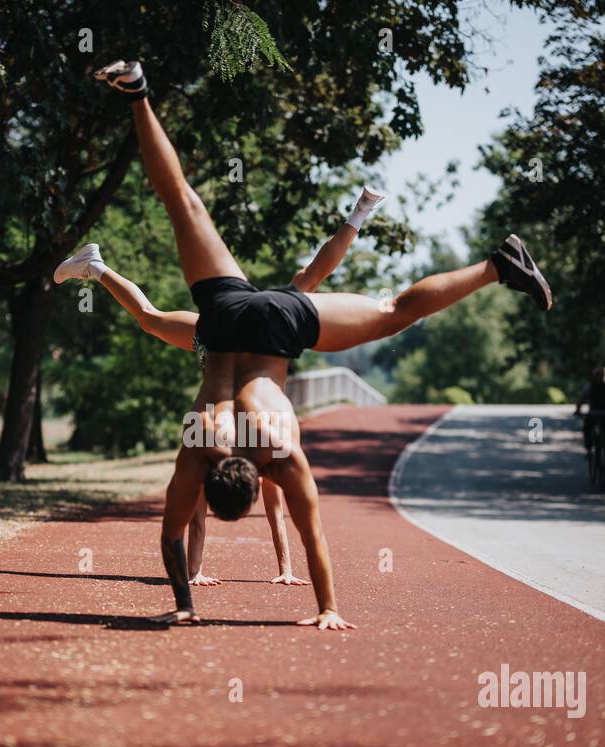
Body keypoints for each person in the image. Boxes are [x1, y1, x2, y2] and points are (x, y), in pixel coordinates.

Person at [90, 60, 552, 630]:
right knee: (182, 200)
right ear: (216, 481)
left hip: (276, 331)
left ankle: (494, 268)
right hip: (226, 317)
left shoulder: (278, 453)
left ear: (256, 486)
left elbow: (310, 536)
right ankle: (137, 91)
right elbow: (171, 538)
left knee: (393, 315)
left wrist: (327, 608)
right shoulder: (200, 446)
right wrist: (186, 603)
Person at [55, 186, 386, 589]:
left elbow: (263, 498)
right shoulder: (269, 351)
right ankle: (95, 266)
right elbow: (271, 499)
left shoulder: (250, 408)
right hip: (233, 345)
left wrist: (284, 570)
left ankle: (97, 267)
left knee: (151, 317)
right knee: (303, 281)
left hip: (224, 345)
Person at [573, 366, 605, 478]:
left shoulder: (590, 387)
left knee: (587, 429)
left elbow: (581, 400)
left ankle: (589, 450)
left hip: (593, 415)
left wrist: (577, 411)